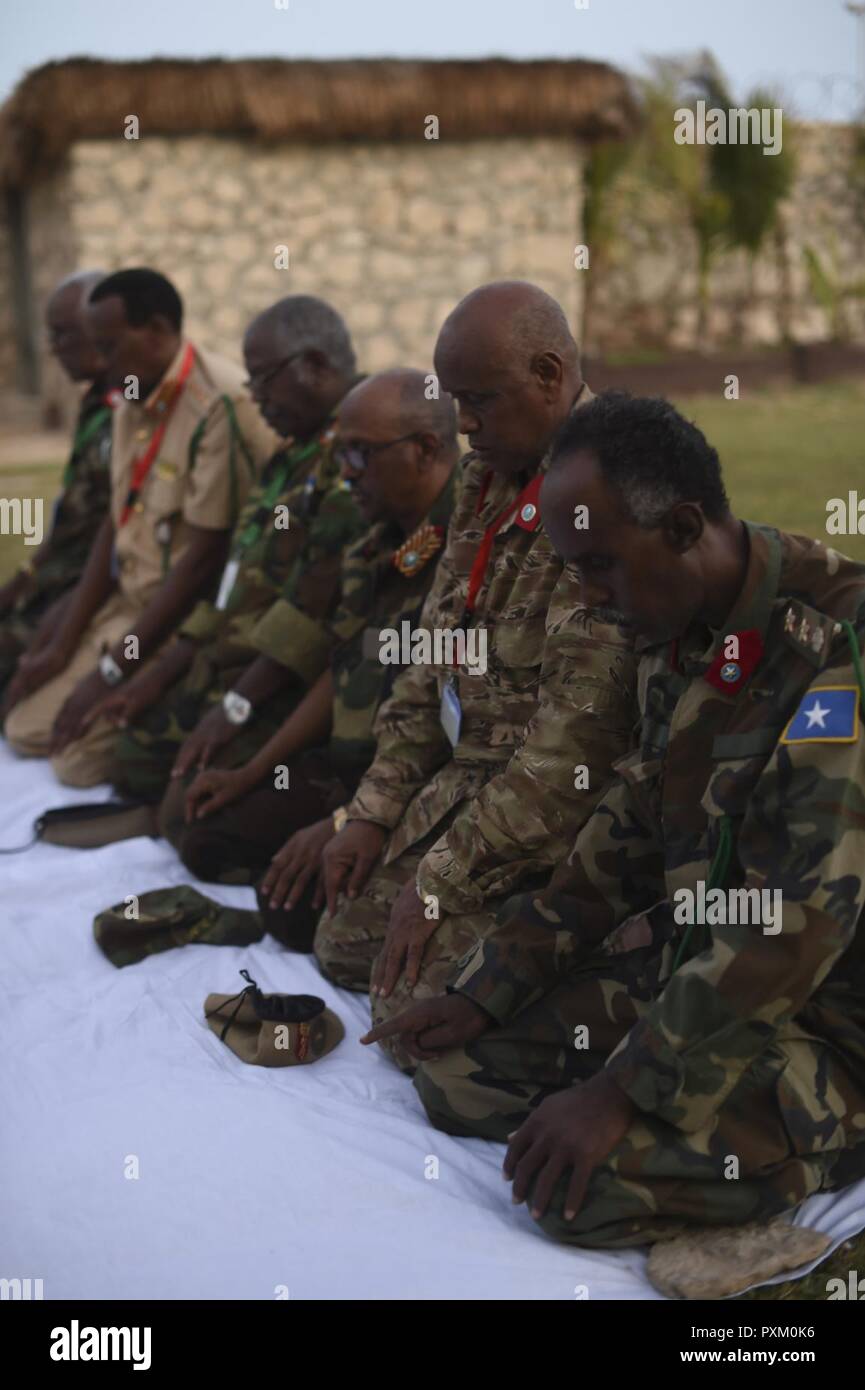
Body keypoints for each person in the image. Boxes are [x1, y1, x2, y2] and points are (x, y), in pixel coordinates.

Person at [366, 391, 865, 1263]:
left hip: (831, 1024)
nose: (591, 599)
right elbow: (630, 823)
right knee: (456, 1082)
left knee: (575, 1194)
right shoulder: (675, 624)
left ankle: (821, 1152)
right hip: (705, 972)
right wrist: (490, 985)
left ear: (679, 527)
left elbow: (796, 919)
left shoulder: (838, 645)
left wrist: (622, 1091)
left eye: (599, 568)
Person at [316, 282, 637, 1049]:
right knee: (338, 941)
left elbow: (570, 754)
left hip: (566, 816)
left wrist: (438, 880)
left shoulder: (611, 490)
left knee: (404, 1021)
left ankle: (610, 974)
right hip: (470, 784)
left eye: (479, 400)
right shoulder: (485, 476)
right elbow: (432, 655)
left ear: (550, 375)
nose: (461, 423)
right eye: (454, 400)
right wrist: (371, 810)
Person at [149, 368, 461, 952]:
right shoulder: (379, 541)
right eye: (341, 453)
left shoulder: (469, 545)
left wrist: (347, 819)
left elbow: (452, 738)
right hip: (354, 764)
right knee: (201, 835)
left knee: (293, 915)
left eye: (361, 454)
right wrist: (253, 769)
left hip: (419, 783)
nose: (346, 472)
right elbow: (337, 668)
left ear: (424, 450)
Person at [3, 267, 274, 785]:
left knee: (74, 762)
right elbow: (116, 517)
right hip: (127, 606)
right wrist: (63, 640)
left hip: (178, 622)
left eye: (109, 346)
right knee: (23, 726)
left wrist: (111, 673)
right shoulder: (130, 389)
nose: (100, 363)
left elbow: (200, 565)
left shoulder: (220, 404)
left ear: (154, 330)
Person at [107, 295, 364, 805]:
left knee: (189, 807)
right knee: (132, 756)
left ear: (313, 365)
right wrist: (157, 674)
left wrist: (234, 709)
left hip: (291, 678)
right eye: (251, 382)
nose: (257, 397)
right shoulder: (292, 454)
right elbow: (233, 580)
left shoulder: (354, 451)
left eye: (264, 379)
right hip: (233, 658)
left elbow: (312, 614)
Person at [0, 271, 112, 699]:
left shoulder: (131, 412)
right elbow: (70, 519)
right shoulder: (94, 405)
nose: (53, 347)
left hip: (83, 596)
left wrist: (63, 628)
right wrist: (23, 577)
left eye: (63, 334)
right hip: (56, 583)